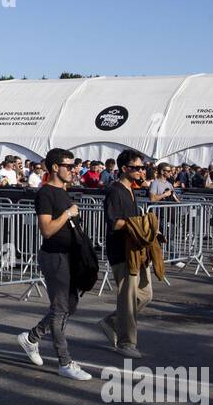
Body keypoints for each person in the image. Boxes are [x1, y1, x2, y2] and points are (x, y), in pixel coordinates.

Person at [17, 148, 94, 381]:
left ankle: (31, 338)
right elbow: (47, 230)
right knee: (61, 308)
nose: (74, 170)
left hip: (70, 257)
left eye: (74, 166)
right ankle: (65, 361)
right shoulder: (45, 194)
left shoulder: (64, 192)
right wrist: (68, 214)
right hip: (54, 256)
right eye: (69, 166)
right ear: (54, 168)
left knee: (69, 305)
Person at [98, 149, 154, 358]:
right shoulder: (115, 190)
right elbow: (115, 222)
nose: (142, 171)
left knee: (145, 295)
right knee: (128, 299)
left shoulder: (131, 189)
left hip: (136, 250)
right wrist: (140, 225)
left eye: (143, 168)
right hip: (122, 251)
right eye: (138, 168)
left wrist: (147, 229)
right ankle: (126, 342)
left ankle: (112, 322)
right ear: (124, 169)